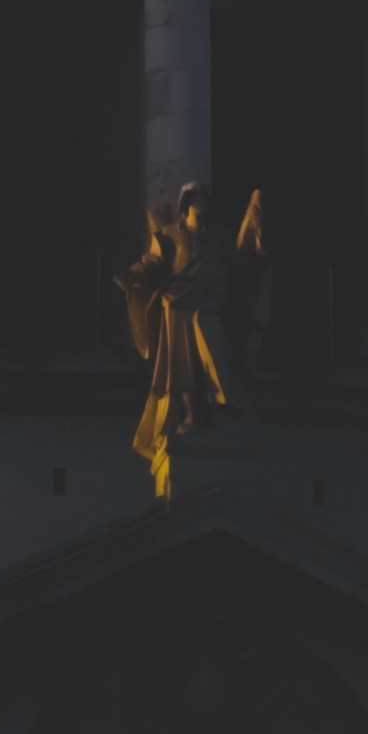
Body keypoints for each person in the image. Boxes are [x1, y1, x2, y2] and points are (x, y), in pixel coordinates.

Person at [118, 182, 265, 498]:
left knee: (216, 357)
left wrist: (253, 226)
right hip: (177, 303)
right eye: (200, 200)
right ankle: (190, 416)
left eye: (208, 200)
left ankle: (225, 411)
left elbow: (238, 267)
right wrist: (135, 278)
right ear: (187, 205)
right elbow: (154, 264)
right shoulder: (170, 234)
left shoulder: (222, 239)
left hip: (209, 304)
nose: (206, 205)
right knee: (181, 366)